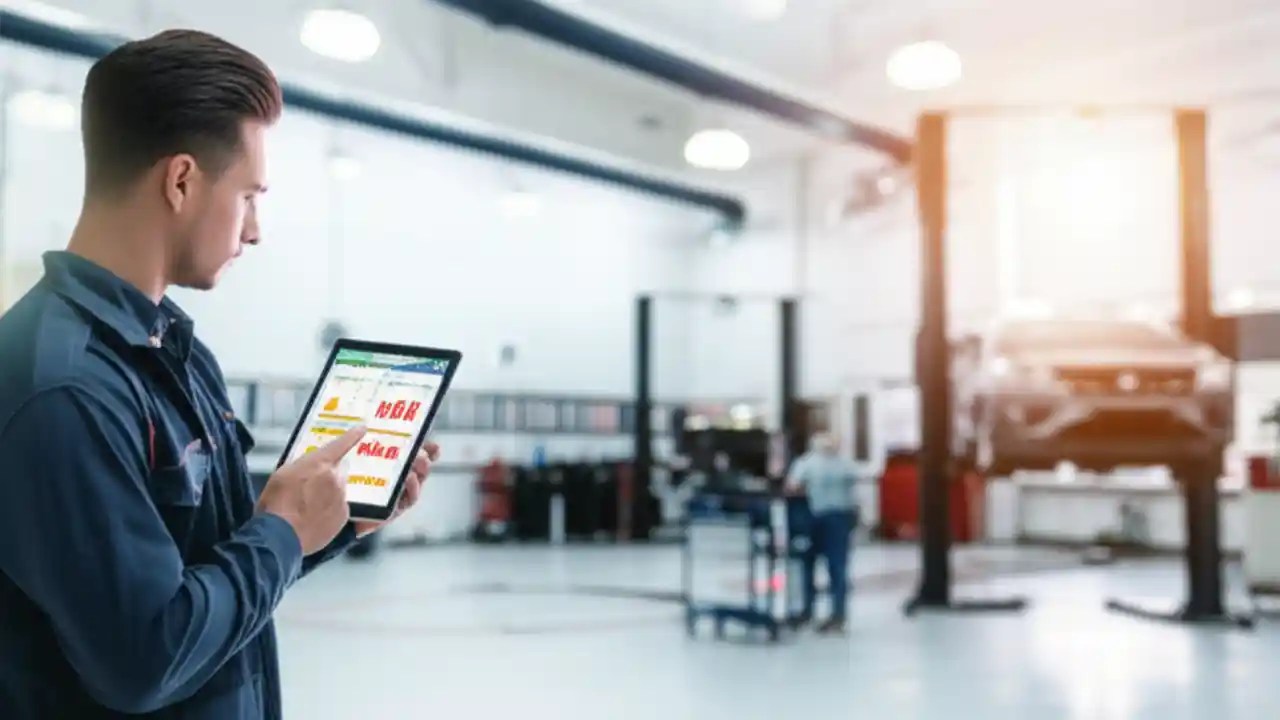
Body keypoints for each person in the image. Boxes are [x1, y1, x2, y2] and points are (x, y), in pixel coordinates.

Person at [0, 30, 437, 718]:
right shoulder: (64, 388)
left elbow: (226, 559)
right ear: (181, 181)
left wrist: (331, 520)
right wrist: (286, 532)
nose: (256, 229)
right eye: (249, 196)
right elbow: (144, 658)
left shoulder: (175, 351)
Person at [786, 433, 860, 634]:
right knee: (838, 567)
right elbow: (854, 489)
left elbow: (792, 487)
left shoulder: (806, 463)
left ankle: (807, 610)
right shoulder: (845, 464)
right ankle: (838, 614)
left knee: (807, 565)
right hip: (840, 519)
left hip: (814, 517)